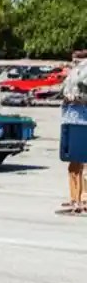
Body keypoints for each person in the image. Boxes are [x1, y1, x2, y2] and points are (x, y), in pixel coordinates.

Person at [58, 50, 87, 215]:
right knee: (72, 162)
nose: (75, 61)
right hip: (70, 117)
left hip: (83, 118)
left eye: (78, 58)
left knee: (83, 162)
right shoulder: (72, 72)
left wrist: (78, 96)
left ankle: (84, 199)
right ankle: (74, 198)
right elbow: (63, 89)